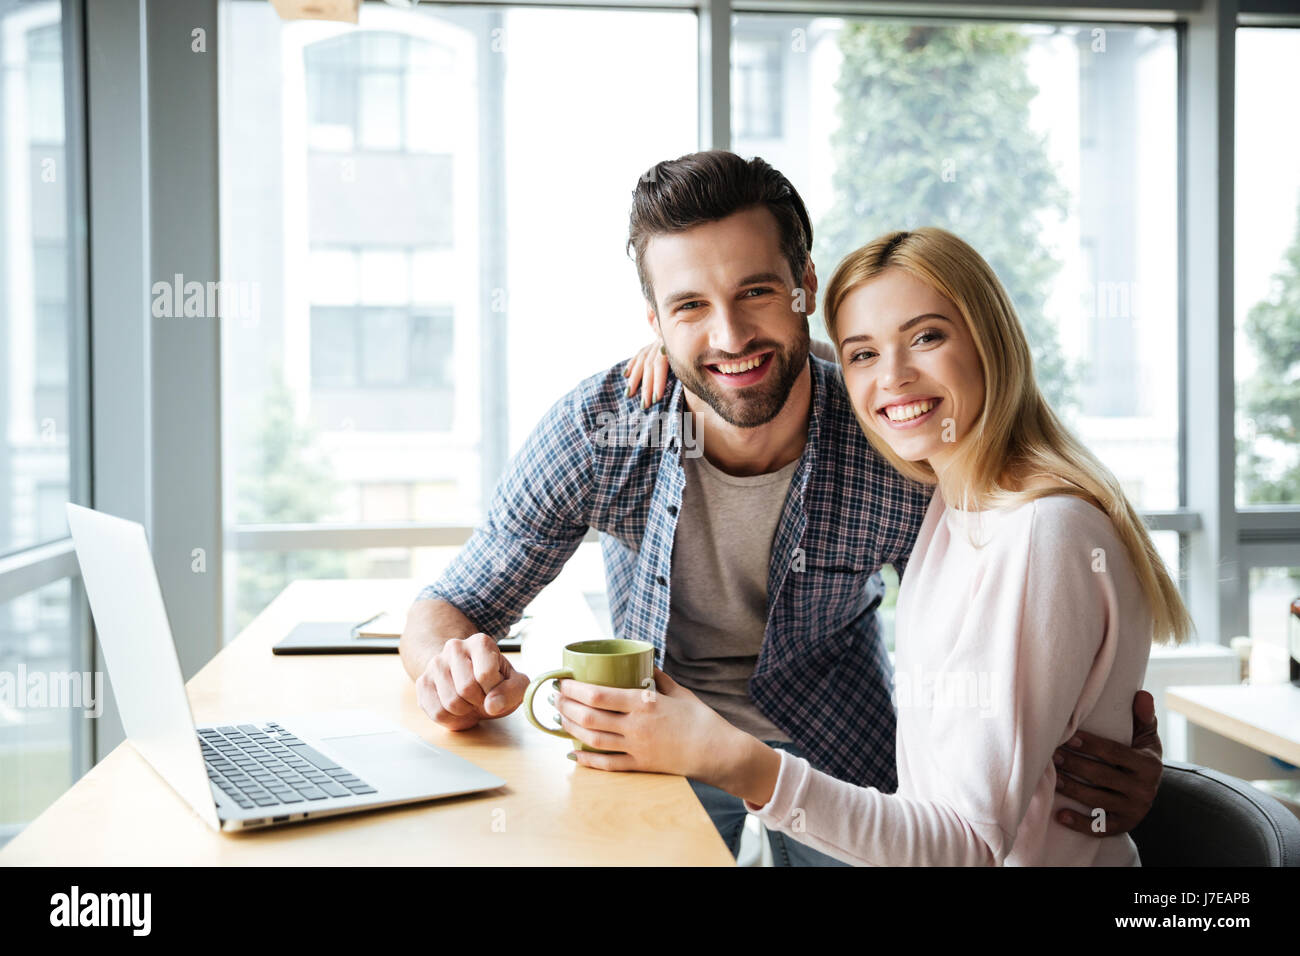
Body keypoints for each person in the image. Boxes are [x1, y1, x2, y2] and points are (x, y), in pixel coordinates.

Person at [398, 150, 1165, 866]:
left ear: (804, 285)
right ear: (655, 324)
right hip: (656, 752)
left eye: (755, 292)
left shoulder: (895, 435)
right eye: (690, 306)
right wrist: (449, 671)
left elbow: (1032, 584)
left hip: (853, 767)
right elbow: (455, 602)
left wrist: (1109, 741)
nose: (730, 336)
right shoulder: (607, 429)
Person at [555, 226, 1191, 865]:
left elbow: (968, 845)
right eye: (863, 354)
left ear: (992, 337)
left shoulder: (1038, 533)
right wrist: (696, 358)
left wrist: (734, 760)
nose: (894, 377)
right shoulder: (950, 509)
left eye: (927, 337)